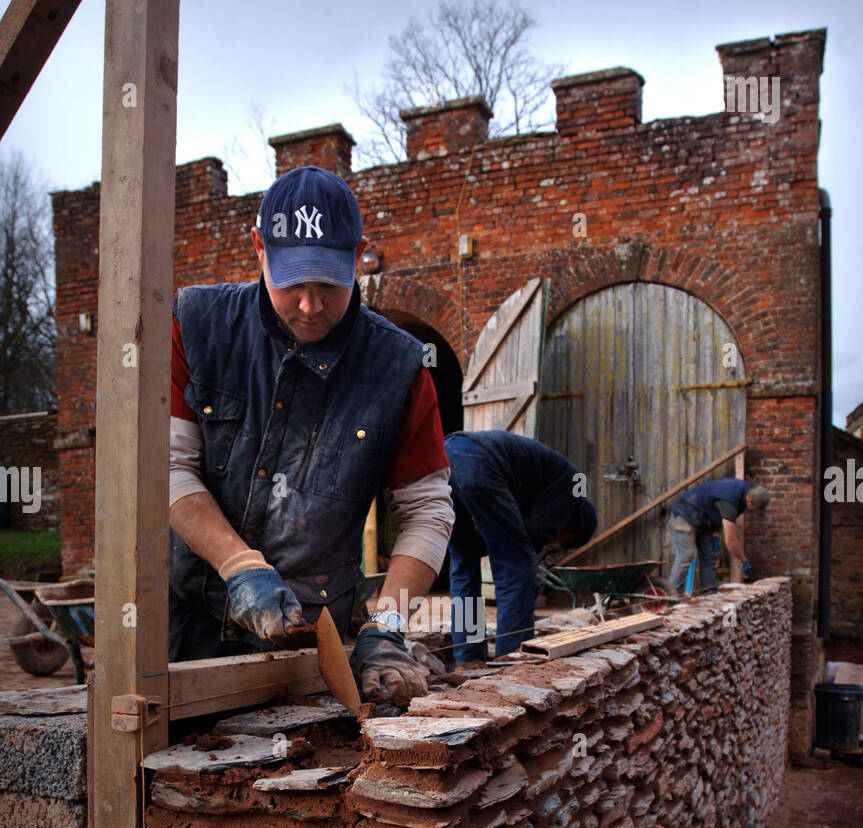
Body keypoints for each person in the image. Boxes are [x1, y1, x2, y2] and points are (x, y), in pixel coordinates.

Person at [167, 165, 455, 710]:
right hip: (187, 625)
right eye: (293, 282)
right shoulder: (197, 326)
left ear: (358, 255)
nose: (310, 306)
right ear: (258, 248)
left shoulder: (398, 367)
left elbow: (427, 511)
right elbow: (169, 468)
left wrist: (388, 623)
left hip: (313, 639)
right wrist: (239, 566)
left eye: (328, 284)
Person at [444, 430, 597, 663]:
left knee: (465, 567)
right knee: (517, 568)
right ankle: (512, 661)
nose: (555, 542)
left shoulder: (544, 483)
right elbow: (534, 532)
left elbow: (494, 534)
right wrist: (529, 553)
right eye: (564, 540)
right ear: (573, 524)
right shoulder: (574, 485)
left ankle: (469, 659)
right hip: (479, 461)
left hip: (444, 459)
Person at [668, 477, 770, 593]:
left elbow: (721, 515)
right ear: (749, 499)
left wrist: (716, 534)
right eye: (754, 507)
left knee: (708, 557)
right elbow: (730, 541)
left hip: (703, 519)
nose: (753, 510)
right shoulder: (731, 500)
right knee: (686, 556)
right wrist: (743, 559)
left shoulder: (744, 493)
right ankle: (671, 595)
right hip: (684, 513)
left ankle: (709, 595)